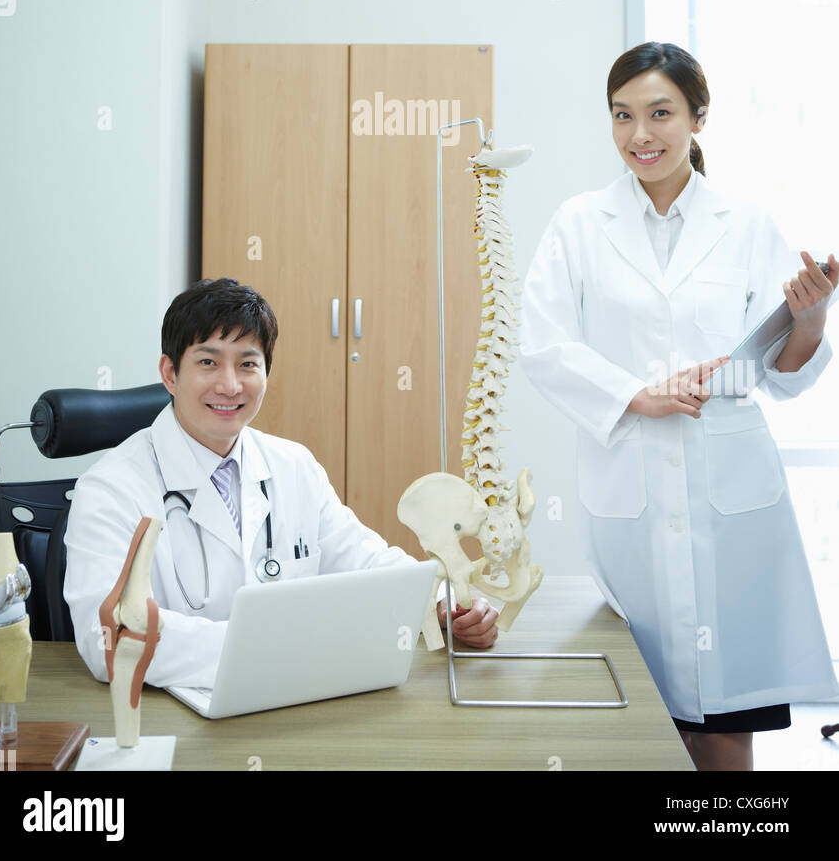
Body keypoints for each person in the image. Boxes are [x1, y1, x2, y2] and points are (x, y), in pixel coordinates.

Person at [519, 41, 839, 773]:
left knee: (728, 723)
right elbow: (540, 343)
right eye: (622, 115)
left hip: (732, 502)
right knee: (640, 727)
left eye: (660, 113)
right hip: (630, 489)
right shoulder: (579, 223)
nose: (641, 134)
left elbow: (781, 373)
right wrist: (637, 394)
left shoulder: (746, 223)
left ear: (698, 118)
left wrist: (813, 321)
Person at [64, 277, 498, 689]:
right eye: (208, 362)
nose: (230, 385)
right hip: (174, 718)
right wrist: (272, 651)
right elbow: (112, 635)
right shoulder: (110, 489)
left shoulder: (293, 466)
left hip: (290, 703)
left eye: (248, 364)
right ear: (170, 373)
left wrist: (443, 603)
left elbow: (365, 560)